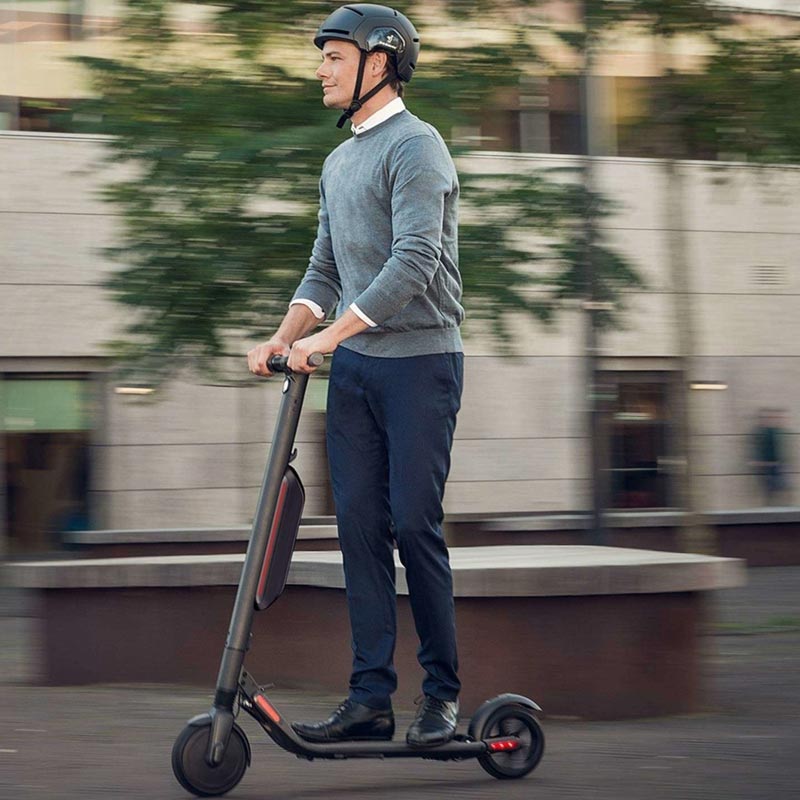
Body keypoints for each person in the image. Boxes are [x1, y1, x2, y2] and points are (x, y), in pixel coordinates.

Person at [247, 4, 464, 748]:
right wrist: (281, 339)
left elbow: (415, 262)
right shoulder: (339, 162)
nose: (322, 69)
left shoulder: (418, 148)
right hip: (360, 372)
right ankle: (370, 698)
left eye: (335, 57)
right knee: (361, 531)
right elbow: (326, 268)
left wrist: (332, 337)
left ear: (380, 62)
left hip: (422, 364)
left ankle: (441, 698)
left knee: (413, 524)